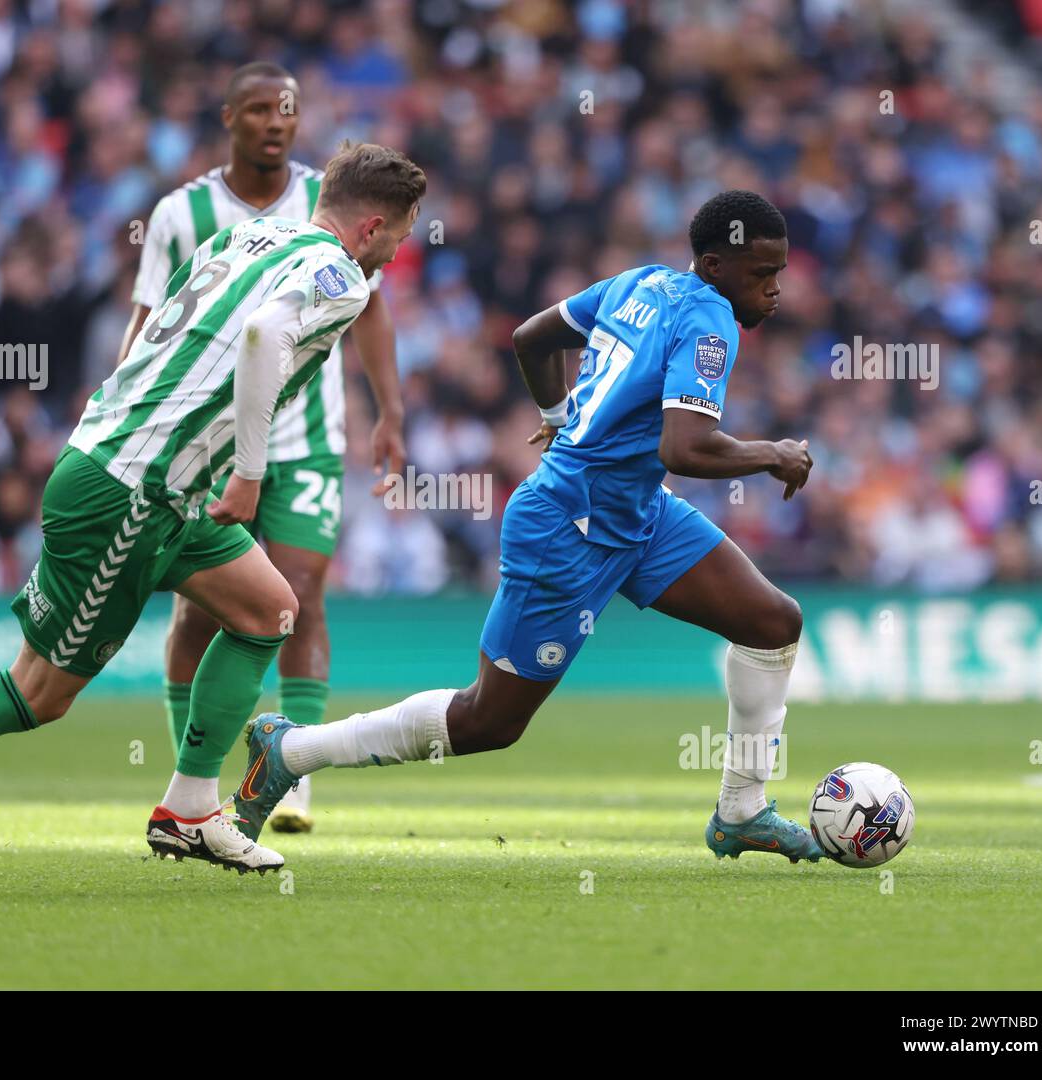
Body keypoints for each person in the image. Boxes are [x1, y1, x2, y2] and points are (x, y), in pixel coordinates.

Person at [0, 143, 427, 874]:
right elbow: (263, 335)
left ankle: (189, 807)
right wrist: (249, 474)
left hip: (146, 477)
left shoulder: (247, 235)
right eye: (401, 239)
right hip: (132, 492)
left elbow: (161, 329)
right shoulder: (340, 275)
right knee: (33, 694)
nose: (395, 255)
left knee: (267, 612)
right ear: (372, 227)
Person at [225, 190, 825, 865]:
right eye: (761, 275)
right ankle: (290, 750)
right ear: (714, 265)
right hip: (567, 525)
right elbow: (684, 449)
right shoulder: (711, 319)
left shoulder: (640, 283)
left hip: (637, 511)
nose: (775, 291)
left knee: (772, 623)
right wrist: (772, 452)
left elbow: (531, 336)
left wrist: (557, 411)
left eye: (778, 275)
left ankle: (742, 810)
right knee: (489, 720)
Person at [119, 61, 406, 834]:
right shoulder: (182, 212)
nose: (277, 122)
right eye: (259, 110)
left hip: (307, 437)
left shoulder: (333, 203)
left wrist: (390, 409)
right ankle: (195, 775)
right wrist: (124, 398)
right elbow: (152, 315)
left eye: (288, 110)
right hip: (208, 440)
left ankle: (297, 768)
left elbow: (370, 313)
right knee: (203, 612)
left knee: (301, 593)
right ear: (228, 119)